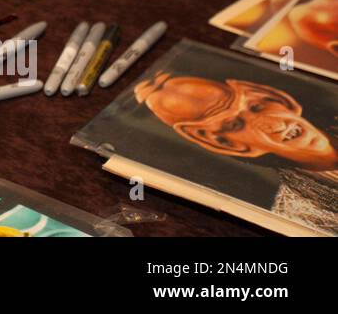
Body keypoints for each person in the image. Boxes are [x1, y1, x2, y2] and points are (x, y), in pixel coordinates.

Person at [135, 72, 338, 234]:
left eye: (257, 107)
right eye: (234, 125)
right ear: (226, 144)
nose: (276, 125)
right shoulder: (302, 213)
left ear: (277, 97)